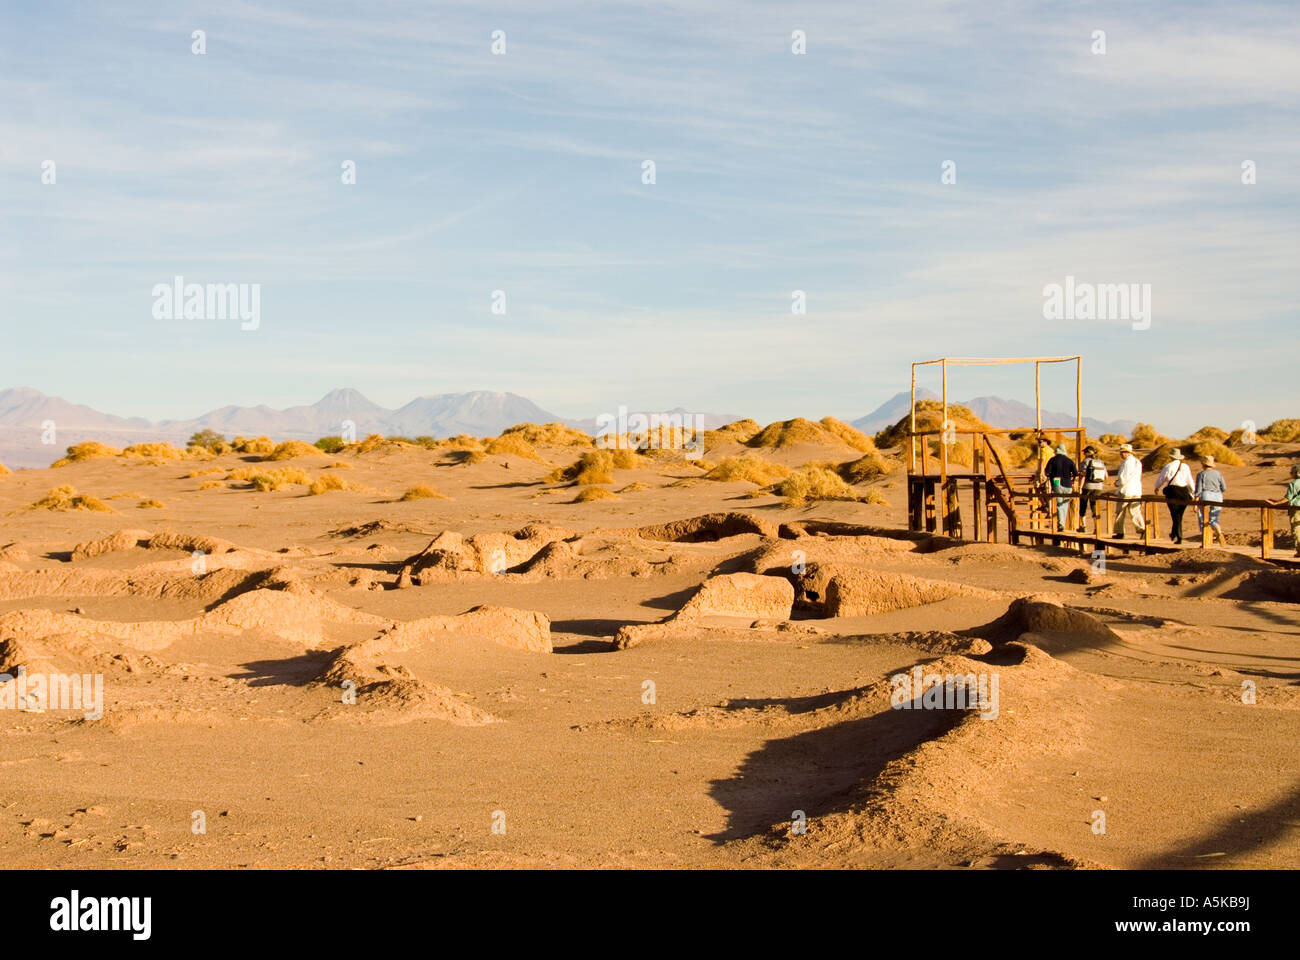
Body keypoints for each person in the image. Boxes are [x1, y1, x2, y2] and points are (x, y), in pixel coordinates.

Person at [1153, 448, 1195, 544]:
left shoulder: (1168, 466)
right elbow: (1190, 480)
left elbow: (1161, 478)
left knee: (1174, 514)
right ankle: (1175, 534)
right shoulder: (1185, 466)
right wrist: (1193, 492)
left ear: (1171, 457)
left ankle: (1177, 536)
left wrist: (1157, 487)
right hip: (1184, 492)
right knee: (1179, 514)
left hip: (1173, 491)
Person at [1113, 443, 1145, 538]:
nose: (1121, 454)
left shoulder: (1126, 463)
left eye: (1122, 452)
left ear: (1126, 453)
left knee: (1120, 511)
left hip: (1126, 490)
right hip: (1136, 490)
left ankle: (1120, 532)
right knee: (1135, 511)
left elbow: (1124, 478)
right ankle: (1142, 529)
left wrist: (1117, 483)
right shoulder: (1137, 462)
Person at [1044, 443, 1078, 531]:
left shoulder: (1053, 460)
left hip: (1056, 482)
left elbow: (1047, 472)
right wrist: (1073, 481)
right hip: (1068, 484)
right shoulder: (1069, 461)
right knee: (1065, 504)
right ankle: (1062, 522)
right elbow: (1076, 473)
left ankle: (1060, 524)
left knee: (1059, 504)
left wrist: (1050, 477)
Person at [1194, 454, 1227, 546]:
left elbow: (1198, 490)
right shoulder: (1218, 474)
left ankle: (1207, 539)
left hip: (1205, 496)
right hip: (1218, 497)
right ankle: (1218, 531)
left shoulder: (1201, 474)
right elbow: (1224, 488)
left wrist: (1195, 503)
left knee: (1203, 518)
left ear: (1203, 464)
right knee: (1213, 518)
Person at [1270, 464, 1300, 558]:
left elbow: (1288, 498)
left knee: (1297, 530)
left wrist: (1275, 503)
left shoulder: (1293, 484)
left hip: (1295, 508)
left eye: (1291, 472)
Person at [1078, 444, 1108, 534]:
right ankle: (1096, 527)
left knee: (1083, 505)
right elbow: (1106, 476)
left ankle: (1083, 526)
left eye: (1084, 452)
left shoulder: (1086, 461)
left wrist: (1080, 487)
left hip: (1087, 486)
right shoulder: (1100, 462)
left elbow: (1083, 475)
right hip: (1098, 486)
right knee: (1094, 506)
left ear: (1087, 453)